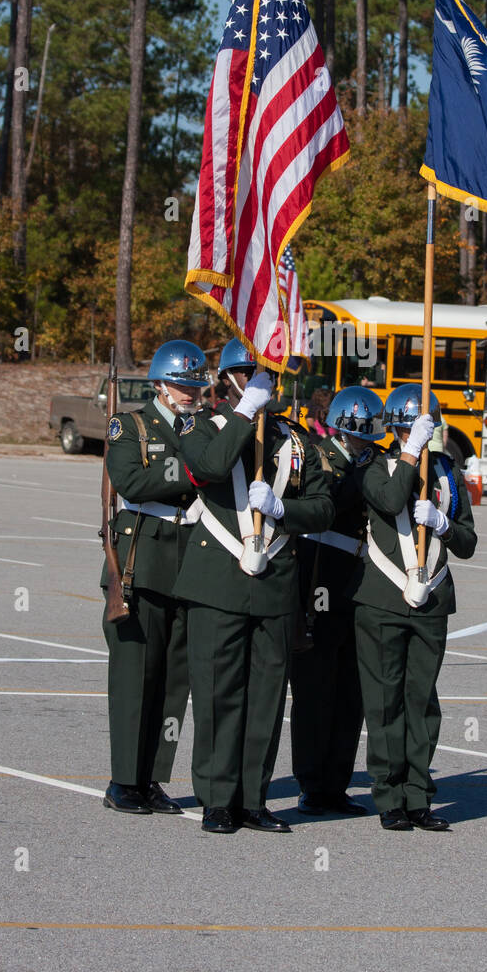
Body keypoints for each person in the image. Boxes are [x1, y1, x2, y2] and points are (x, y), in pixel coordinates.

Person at [175, 339, 335, 834]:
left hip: (275, 581)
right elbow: (211, 468)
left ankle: (253, 798)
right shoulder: (205, 426)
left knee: (266, 694)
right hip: (217, 579)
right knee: (219, 692)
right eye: (246, 371)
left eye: (265, 372)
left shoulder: (295, 440)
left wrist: (287, 510)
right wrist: (245, 412)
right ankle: (217, 799)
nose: (257, 379)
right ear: (227, 378)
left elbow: (324, 507)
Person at [348, 384, 477, 831]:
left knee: (421, 703)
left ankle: (419, 796)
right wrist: (411, 452)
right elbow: (387, 499)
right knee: (385, 701)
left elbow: (469, 542)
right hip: (382, 598)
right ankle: (388, 797)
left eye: (419, 428)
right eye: (405, 429)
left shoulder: (446, 473)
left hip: (433, 600)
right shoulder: (374, 466)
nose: (412, 435)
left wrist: (442, 524)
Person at [101, 339, 209, 815]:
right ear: (161, 385)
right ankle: (124, 780)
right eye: (183, 386)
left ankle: (153, 779)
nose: (191, 393)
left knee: (172, 681)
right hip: (141, 563)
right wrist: (195, 473)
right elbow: (133, 482)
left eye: (195, 385)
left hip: (189, 563)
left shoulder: (203, 428)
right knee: (135, 677)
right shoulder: (130, 425)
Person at [291, 385, 384, 818]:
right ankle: (312, 784)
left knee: (352, 690)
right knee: (316, 687)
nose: (366, 441)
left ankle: (337, 783)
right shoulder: (318, 455)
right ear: (341, 428)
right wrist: (366, 471)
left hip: (361, 580)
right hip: (320, 575)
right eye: (359, 433)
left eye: (371, 433)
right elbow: (329, 503)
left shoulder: (374, 461)